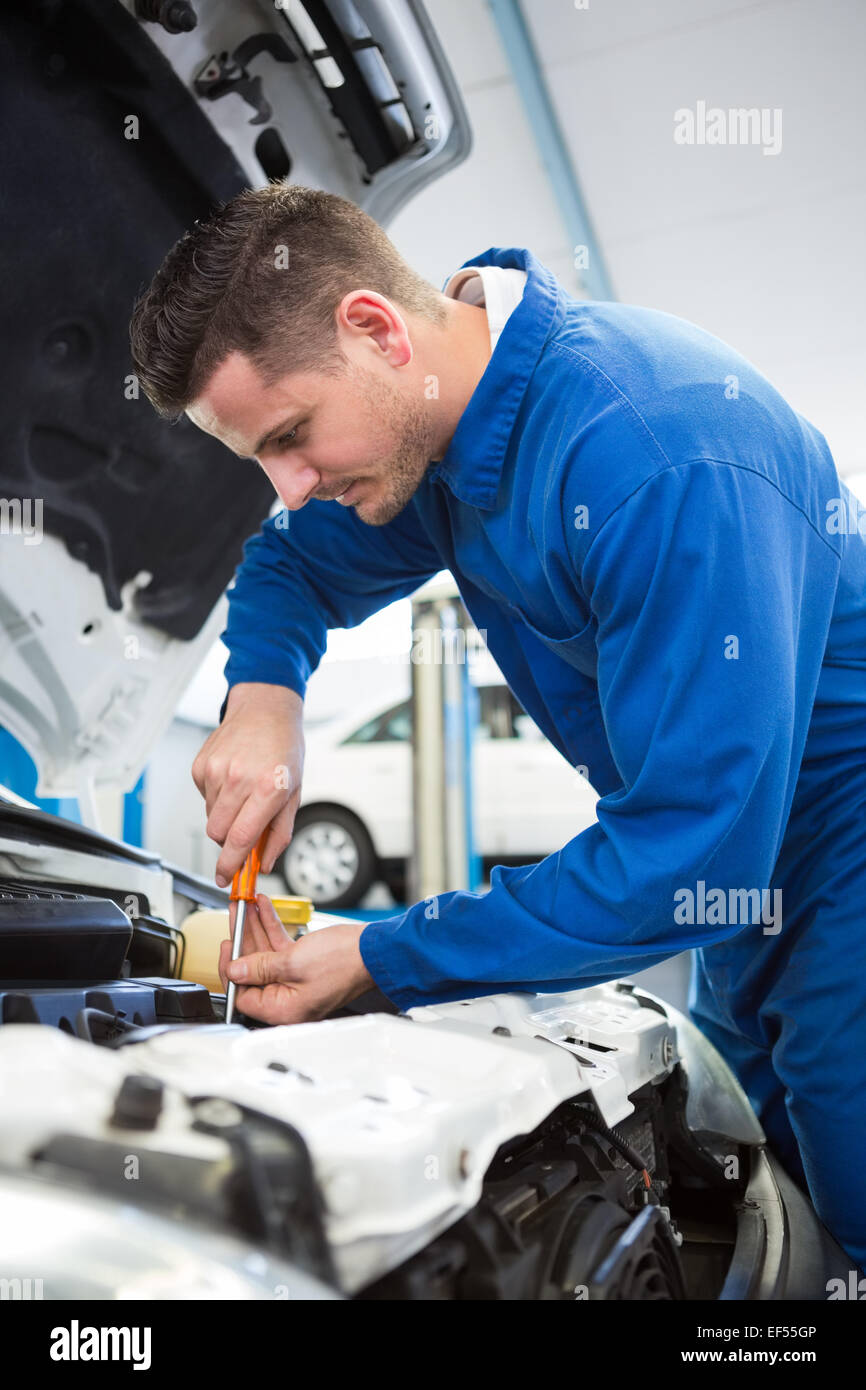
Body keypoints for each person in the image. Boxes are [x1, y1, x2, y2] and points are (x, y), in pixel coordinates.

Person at [130, 183, 866, 1274]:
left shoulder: (652, 452)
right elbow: (287, 564)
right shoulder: (440, 432)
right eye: (260, 463)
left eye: (289, 437)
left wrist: (382, 958)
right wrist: (262, 697)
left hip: (829, 850)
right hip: (747, 880)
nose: (289, 486)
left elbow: (685, 855)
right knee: (776, 1202)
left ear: (374, 328)